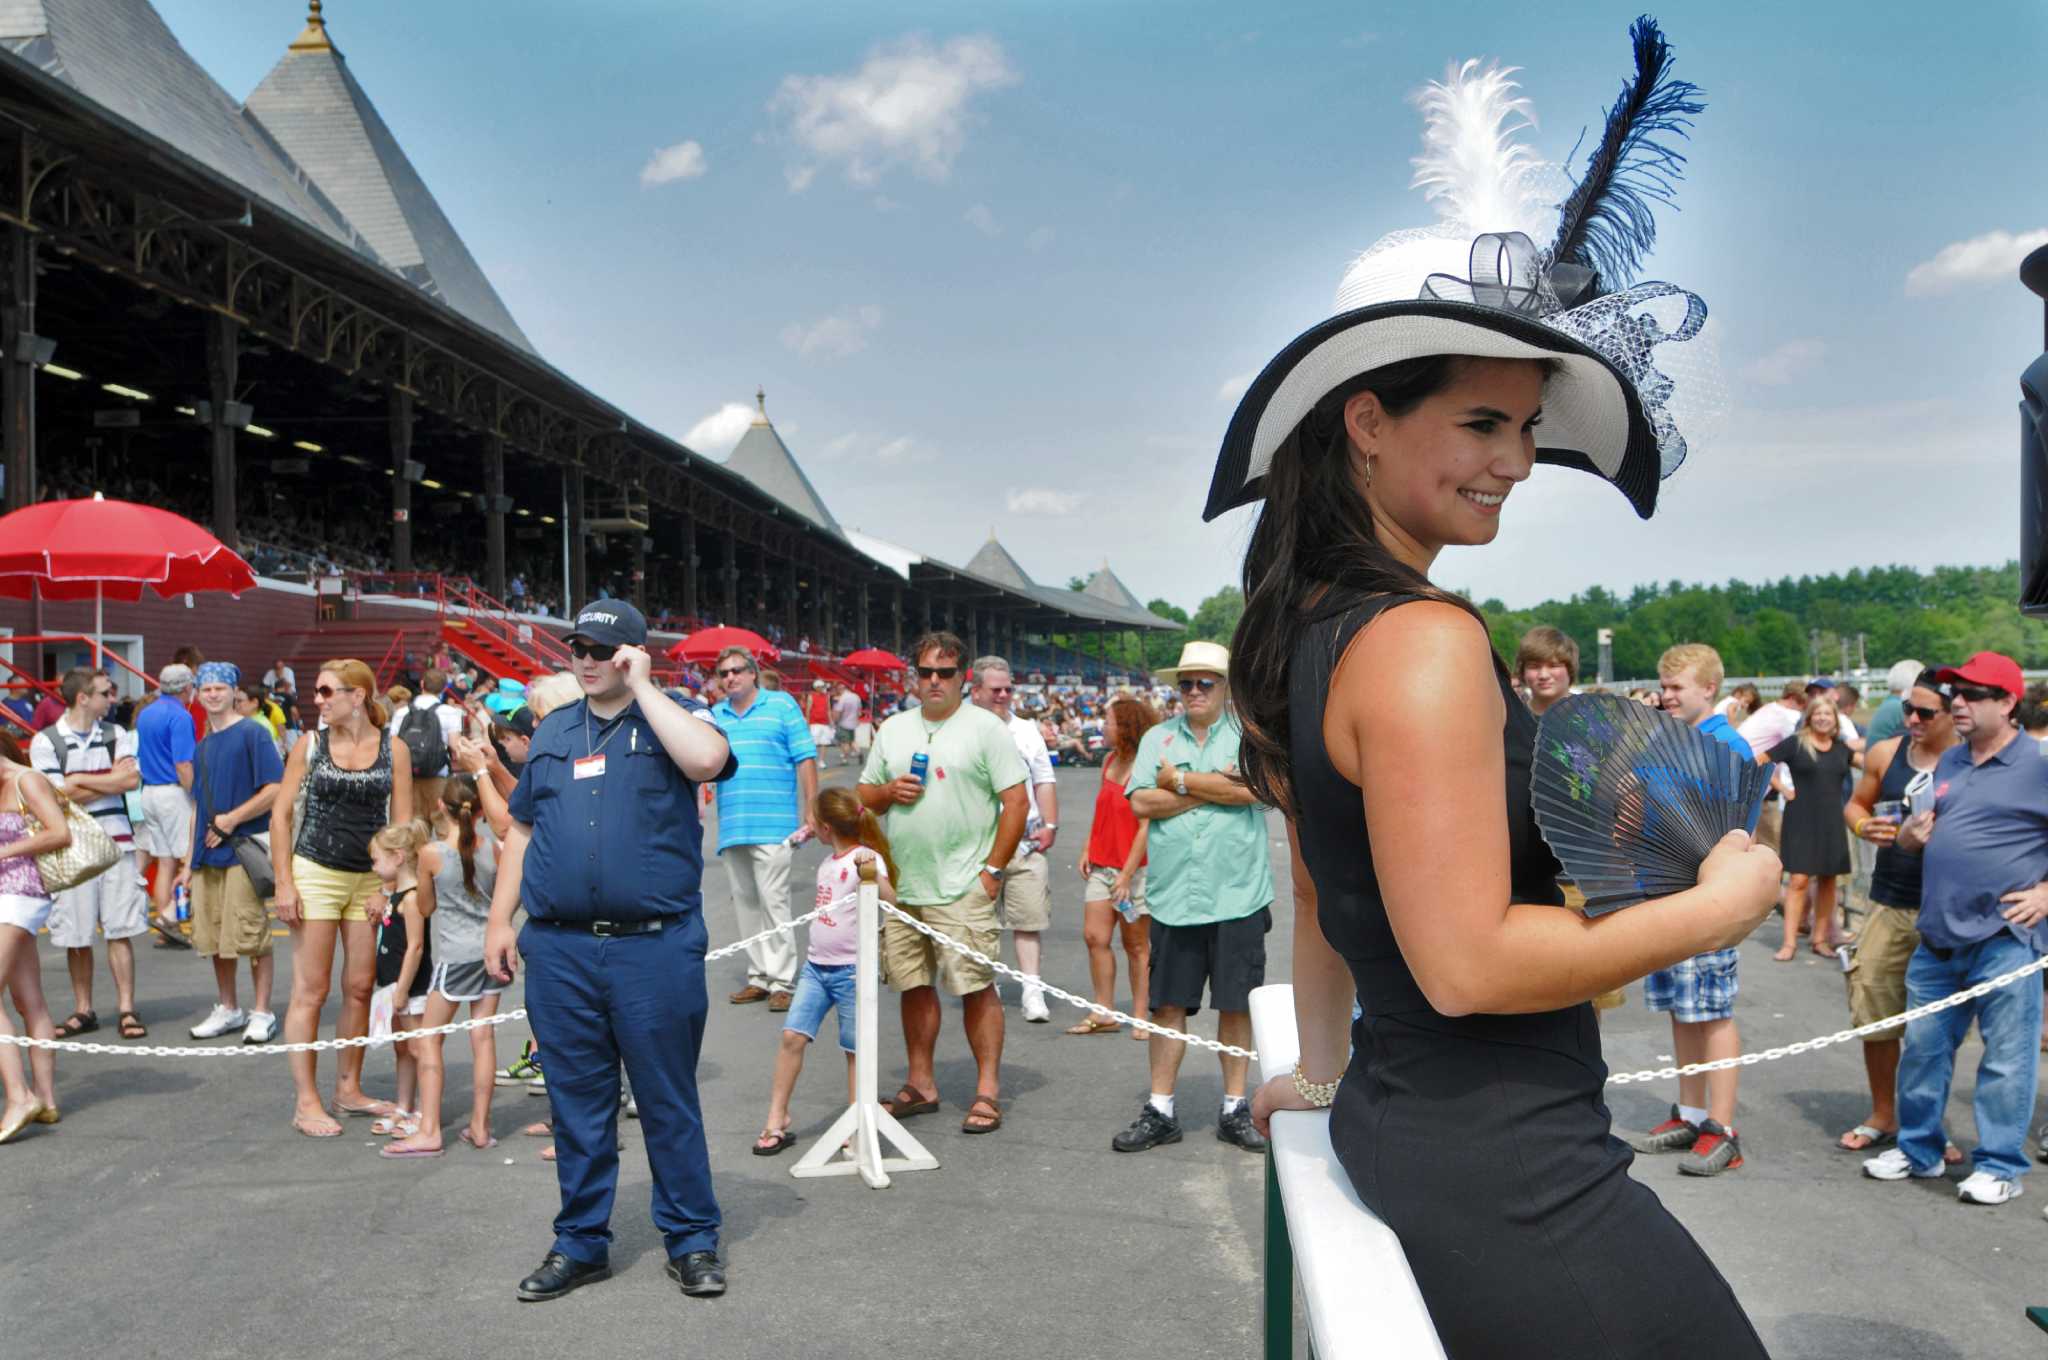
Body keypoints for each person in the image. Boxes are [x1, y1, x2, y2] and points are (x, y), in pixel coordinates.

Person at [1223, 47, 1778, 1345]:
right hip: (1512, 1174)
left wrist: (1315, 1076)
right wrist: (1717, 910)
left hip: (1425, 1139)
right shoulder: (1420, 641)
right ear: (1367, 418)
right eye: (1484, 423)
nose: (1520, 462)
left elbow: (1320, 898)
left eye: (1528, 428)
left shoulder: (1313, 624)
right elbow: (1469, 965)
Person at [482, 598, 737, 1302]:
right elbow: (523, 831)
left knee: (666, 1102)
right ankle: (581, 1243)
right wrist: (501, 920)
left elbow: (709, 761)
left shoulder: (673, 717)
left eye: (603, 650)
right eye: (578, 649)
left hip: (652, 949)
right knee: (577, 1105)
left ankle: (691, 1239)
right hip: (561, 952)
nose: (588, 661)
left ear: (631, 654)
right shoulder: (557, 729)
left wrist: (648, 686)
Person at [1868, 652, 2048, 1205]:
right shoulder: (1949, 763)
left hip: (2005, 940)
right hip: (1939, 936)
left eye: (1972, 695)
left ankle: (1999, 1165)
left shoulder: (2039, 767)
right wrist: (1908, 839)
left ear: (2008, 703)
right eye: (1956, 694)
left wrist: (2046, 892)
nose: (1958, 704)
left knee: (2006, 1059)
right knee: (1923, 1048)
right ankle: (1919, 1148)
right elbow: (1914, 833)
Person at [858, 630, 1027, 1136]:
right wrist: (888, 791)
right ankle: (921, 1084)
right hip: (905, 885)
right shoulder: (893, 728)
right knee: (913, 986)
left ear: (963, 677)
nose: (934, 681)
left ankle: (988, 1090)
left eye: (945, 673)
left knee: (975, 988)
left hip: (964, 885)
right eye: (926, 672)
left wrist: (992, 871)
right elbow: (865, 794)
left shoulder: (985, 728)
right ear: (915, 677)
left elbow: (1015, 802)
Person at [1111, 641, 1273, 1155]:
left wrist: (1178, 780)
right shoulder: (1159, 736)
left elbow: (1254, 790)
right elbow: (1141, 803)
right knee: (1167, 1006)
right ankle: (1161, 1108)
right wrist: (1213, 785)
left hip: (1238, 894)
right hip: (1176, 895)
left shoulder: (1248, 735)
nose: (1195, 691)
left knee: (1235, 1005)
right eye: (1187, 683)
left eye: (1206, 682)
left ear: (1226, 688)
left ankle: (1234, 1106)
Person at [271, 658, 415, 1137]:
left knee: (358, 985)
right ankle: (306, 1100)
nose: (319, 700)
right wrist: (284, 882)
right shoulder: (309, 746)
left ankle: (347, 1088)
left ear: (359, 696)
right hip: (315, 870)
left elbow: (403, 826)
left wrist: (387, 887)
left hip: (367, 876)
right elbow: (280, 817)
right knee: (311, 990)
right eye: (317, 691)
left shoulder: (394, 750)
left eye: (328, 692)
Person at [1630, 644, 1755, 1175]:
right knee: (1682, 1007)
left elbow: (1734, 826)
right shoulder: (1669, 738)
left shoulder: (1728, 746)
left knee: (1712, 1008)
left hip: (1705, 890)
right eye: (1665, 684)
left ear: (1710, 689)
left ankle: (1721, 1126)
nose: (1667, 695)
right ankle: (1691, 1109)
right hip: (1665, 886)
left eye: (1677, 687)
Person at [1836, 670, 1958, 1153]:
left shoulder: (1966, 762)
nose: (1912, 719)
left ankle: (1930, 1125)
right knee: (1876, 1011)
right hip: (1889, 901)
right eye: (1909, 708)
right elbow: (1855, 804)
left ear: (1953, 713)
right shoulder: (1887, 753)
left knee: (1937, 1028)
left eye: (1925, 712)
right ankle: (1884, 1113)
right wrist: (1865, 827)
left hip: (1945, 908)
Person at [753, 786, 898, 1156]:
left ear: (826, 827)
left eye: (813, 820)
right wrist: (797, 837)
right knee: (792, 1037)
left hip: (851, 971)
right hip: (816, 968)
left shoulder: (865, 856)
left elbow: (890, 899)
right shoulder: (828, 861)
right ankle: (776, 1116)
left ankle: (856, 1123)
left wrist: (872, 877)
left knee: (855, 1050)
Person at [384, 776, 513, 1157]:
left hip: (456, 955)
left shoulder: (432, 854)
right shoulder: (493, 848)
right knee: (482, 1037)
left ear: (442, 807)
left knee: (428, 1039)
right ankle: (480, 1125)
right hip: (490, 952)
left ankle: (428, 1129)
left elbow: (425, 908)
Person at [30, 669, 148, 1041]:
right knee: (77, 936)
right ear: (83, 698)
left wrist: (78, 781)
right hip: (72, 849)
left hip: (117, 845)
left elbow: (130, 781)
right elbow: (51, 796)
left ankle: (126, 1007)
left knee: (121, 929)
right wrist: (104, 781)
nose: (112, 699)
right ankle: (84, 1009)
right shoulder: (46, 741)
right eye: (105, 693)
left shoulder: (117, 734)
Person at [707, 645, 817, 1011]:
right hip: (734, 824)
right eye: (723, 673)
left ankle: (782, 979)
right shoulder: (715, 714)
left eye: (737, 670)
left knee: (775, 903)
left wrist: (812, 809)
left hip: (774, 825)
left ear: (753, 673)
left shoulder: (782, 705)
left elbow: (805, 758)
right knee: (747, 905)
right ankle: (759, 976)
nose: (730, 678)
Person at [180, 663, 284, 1043]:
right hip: (207, 855)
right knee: (213, 936)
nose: (212, 694)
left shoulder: (253, 734)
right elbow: (198, 806)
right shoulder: (203, 744)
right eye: (205, 688)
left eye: (219, 688)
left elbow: (276, 787)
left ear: (234, 691)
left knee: (251, 934)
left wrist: (231, 820)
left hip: (242, 850)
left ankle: (262, 1011)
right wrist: (186, 861)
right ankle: (228, 1007)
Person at [970, 656, 1060, 1023]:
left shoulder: (1026, 729)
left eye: (1008, 688)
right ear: (975, 691)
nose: (1004, 695)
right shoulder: (962, 728)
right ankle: (985, 986)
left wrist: (1051, 824)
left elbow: (1044, 779)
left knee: (1029, 918)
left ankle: (1032, 990)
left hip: (1024, 838)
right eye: (996, 689)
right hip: (979, 840)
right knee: (981, 919)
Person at [1071, 693, 1155, 1039]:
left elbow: (1147, 826)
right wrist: (1088, 847)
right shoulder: (1108, 762)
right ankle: (1104, 1010)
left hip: (1134, 870)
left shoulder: (1144, 767)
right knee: (1095, 936)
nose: (1102, 726)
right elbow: (1102, 810)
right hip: (1102, 864)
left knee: (1136, 944)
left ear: (1126, 727)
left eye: (1108, 721)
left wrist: (1126, 874)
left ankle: (1140, 1014)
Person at [0, 729, 63, 1140]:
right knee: (28, 1000)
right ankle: (46, 1100)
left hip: (21, 893)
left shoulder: (26, 780)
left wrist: (3, 851)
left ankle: (19, 1096)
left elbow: (60, 832)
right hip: (5, 896)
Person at [1761, 695, 1853, 960]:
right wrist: (1781, 788)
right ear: (1809, 717)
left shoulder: (1841, 749)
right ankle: (1788, 943)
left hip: (1832, 820)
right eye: (1818, 714)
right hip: (1800, 818)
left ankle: (1820, 939)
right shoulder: (1795, 744)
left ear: (1836, 719)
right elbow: (1760, 760)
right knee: (1799, 880)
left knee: (1828, 880)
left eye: (1828, 714)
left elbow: (1870, 763)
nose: (1823, 718)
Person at [368, 818, 436, 1144]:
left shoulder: (411, 899)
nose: (373, 866)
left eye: (376, 860)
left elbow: (416, 946)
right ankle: (405, 1105)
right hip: (394, 985)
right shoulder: (394, 895)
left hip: (412, 987)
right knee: (402, 1049)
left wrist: (403, 989)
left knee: (419, 1048)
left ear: (397, 857)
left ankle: (425, 1110)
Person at [134, 664, 197, 949]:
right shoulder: (180, 716)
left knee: (164, 861)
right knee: (190, 858)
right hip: (173, 793)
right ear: (187, 688)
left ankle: (165, 923)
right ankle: (178, 917)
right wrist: (197, 794)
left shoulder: (146, 713)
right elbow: (183, 764)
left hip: (149, 791)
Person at [1737, 681, 1808, 860]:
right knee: (1771, 847)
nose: (1803, 710)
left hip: (1740, 782)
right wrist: (1785, 789)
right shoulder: (1787, 717)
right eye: (1803, 705)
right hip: (1756, 785)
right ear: (1793, 699)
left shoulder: (1768, 709)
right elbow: (1800, 747)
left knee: (1751, 843)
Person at [392, 667, 462, 815]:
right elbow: (455, 746)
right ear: (444, 688)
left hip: (408, 778)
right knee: (444, 827)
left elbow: (392, 745)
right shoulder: (450, 712)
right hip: (438, 775)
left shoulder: (402, 713)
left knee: (416, 829)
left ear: (422, 684)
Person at [1513, 625, 1577, 715]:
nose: (1543, 675)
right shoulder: (1511, 719)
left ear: (1569, 669)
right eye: (1534, 667)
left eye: (1553, 666)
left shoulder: (1595, 718)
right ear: (1523, 671)